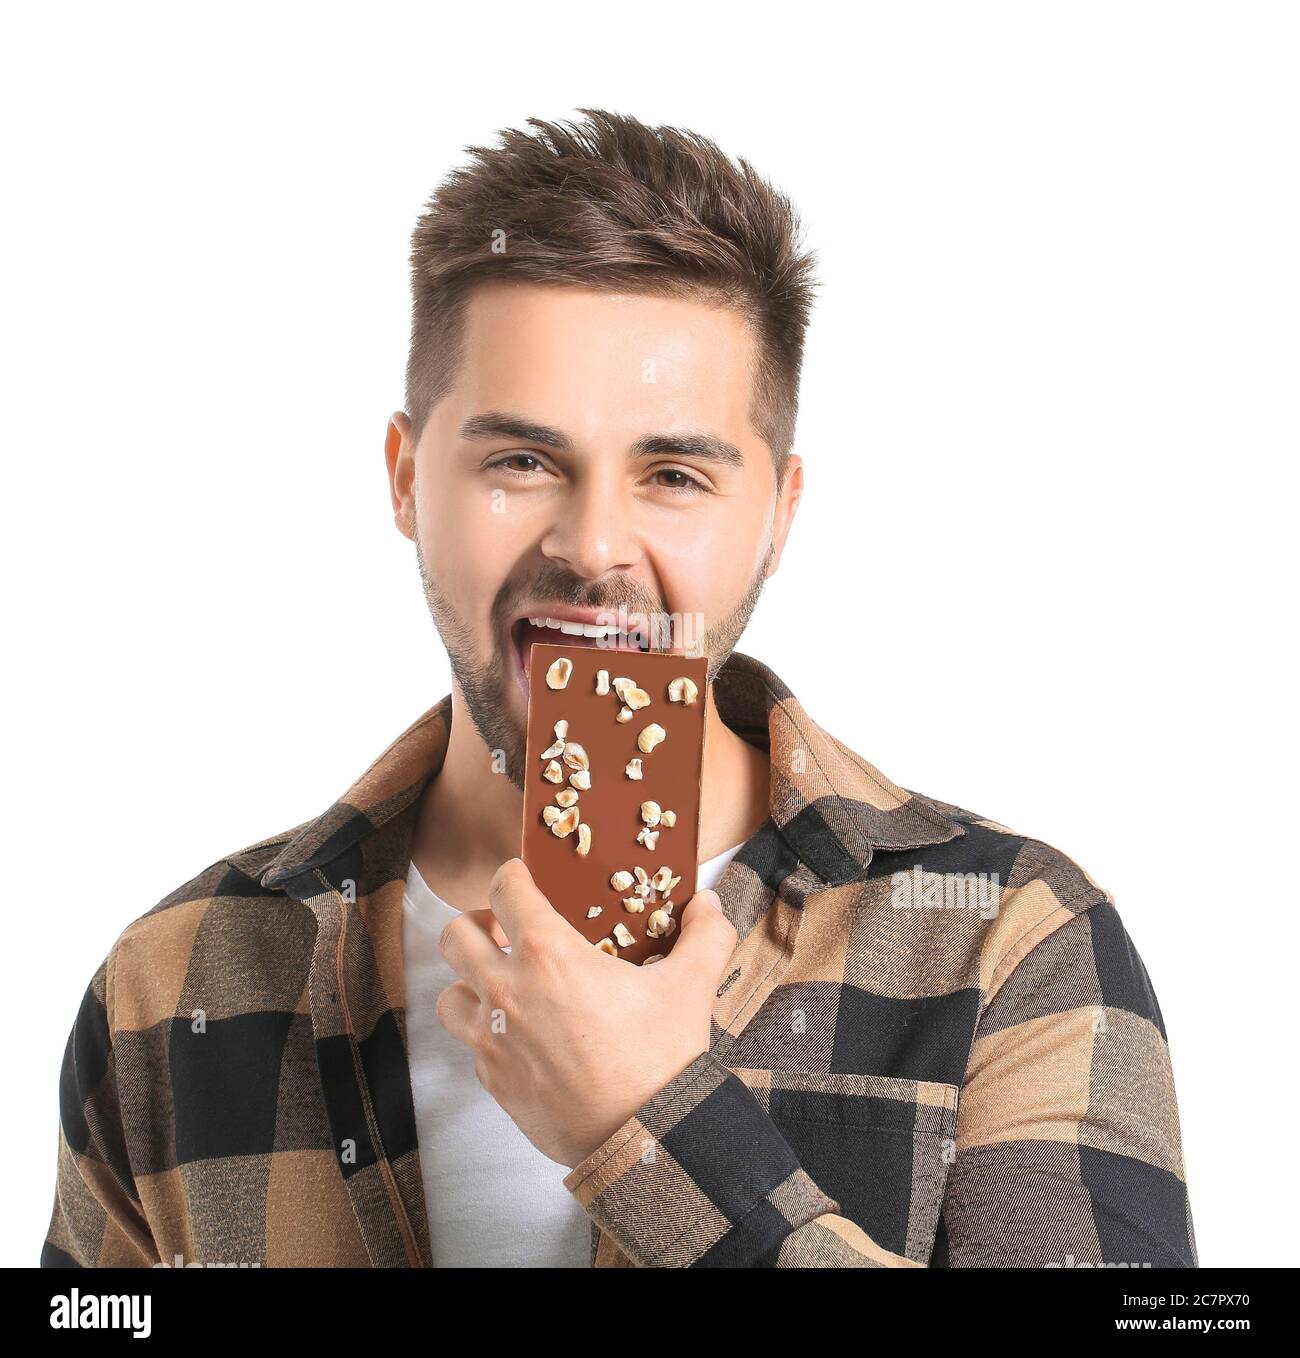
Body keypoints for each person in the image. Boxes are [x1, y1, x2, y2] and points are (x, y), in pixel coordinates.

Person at [43, 109, 1195, 1269]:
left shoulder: (1012, 944)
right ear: (405, 480)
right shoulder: (175, 977)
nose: (594, 545)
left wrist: (645, 1121)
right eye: (521, 461)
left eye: (675, 473)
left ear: (777, 517)